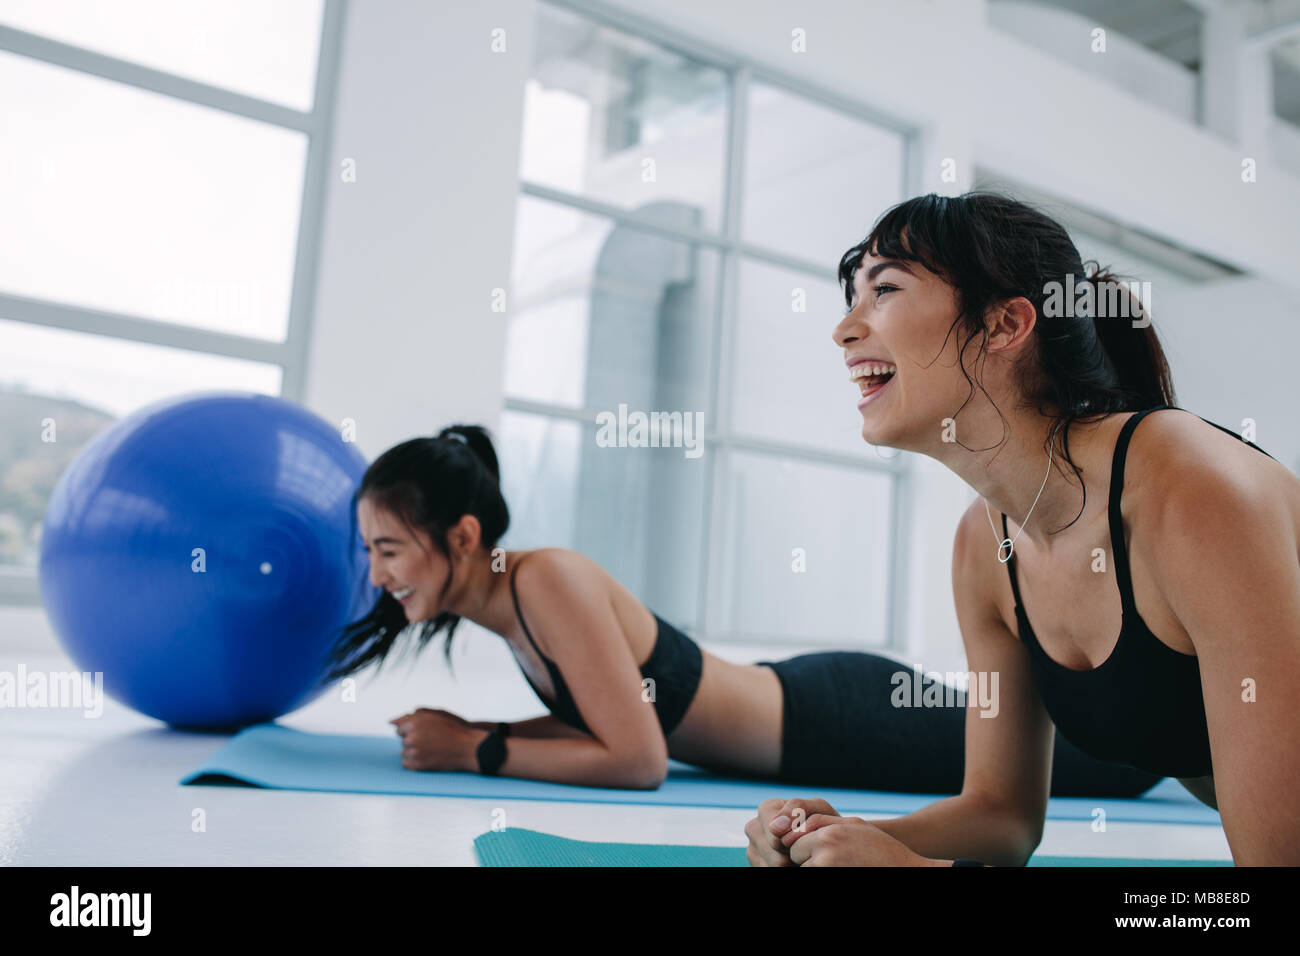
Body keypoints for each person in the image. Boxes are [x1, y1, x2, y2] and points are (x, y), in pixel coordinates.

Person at [744, 191, 1300, 866]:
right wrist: (838, 839)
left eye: (884, 288)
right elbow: (1001, 816)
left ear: (1006, 324)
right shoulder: (985, 547)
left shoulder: (1195, 496)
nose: (844, 330)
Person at [326, 424, 1160, 797]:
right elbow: (604, 727)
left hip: (841, 719)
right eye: (369, 551)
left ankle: (1188, 709)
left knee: (1103, 767)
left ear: (461, 535)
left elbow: (637, 759)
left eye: (388, 549)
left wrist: (477, 748)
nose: (378, 572)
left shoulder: (547, 581)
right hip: (809, 715)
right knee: (1060, 753)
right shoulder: (505, 606)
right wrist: (472, 735)